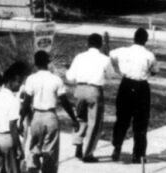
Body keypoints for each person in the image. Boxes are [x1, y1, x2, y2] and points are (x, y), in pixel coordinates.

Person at [21, 50, 68, 173]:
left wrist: (21, 119)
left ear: (35, 63)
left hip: (36, 116)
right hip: (50, 116)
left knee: (34, 149)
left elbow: (26, 102)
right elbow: (64, 101)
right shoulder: (56, 79)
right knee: (50, 153)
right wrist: (73, 117)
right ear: (48, 62)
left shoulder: (31, 79)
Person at [110, 27, 158, 164]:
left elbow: (111, 54)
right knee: (141, 122)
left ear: (134, 38)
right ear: (146, 41)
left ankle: (117, 147)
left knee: (122, 119)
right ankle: (138, 155)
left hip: (125, 85)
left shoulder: (123, 51)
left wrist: (117, 69)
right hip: (141, 87)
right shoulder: (149, 55)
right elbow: (155, 70)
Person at [66, 34, 114, 162]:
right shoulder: (105, 59)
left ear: (87, 44)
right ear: (101, 45)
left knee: (80, 118)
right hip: (94, 90)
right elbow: (110, 76)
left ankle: (78, 144)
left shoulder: (79, 57)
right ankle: (88, 153)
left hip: (80, 89)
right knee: (94, 123)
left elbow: (70, 76)